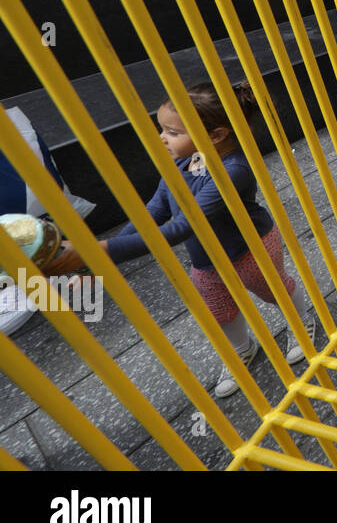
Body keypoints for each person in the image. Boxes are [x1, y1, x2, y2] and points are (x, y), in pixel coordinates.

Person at [42, 80, 316, 398]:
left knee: (273, 290)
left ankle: (301, 323)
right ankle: (242, 349)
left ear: (216, 135)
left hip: (250, 248)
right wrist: (96, 257)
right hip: (205, 258)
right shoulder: (182, 162)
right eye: (163, 129)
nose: (162, 138)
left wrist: (101, 249)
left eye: (173, 132)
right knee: (219, 309)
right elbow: (154, 212)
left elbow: (183, 226)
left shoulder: (234, 169)